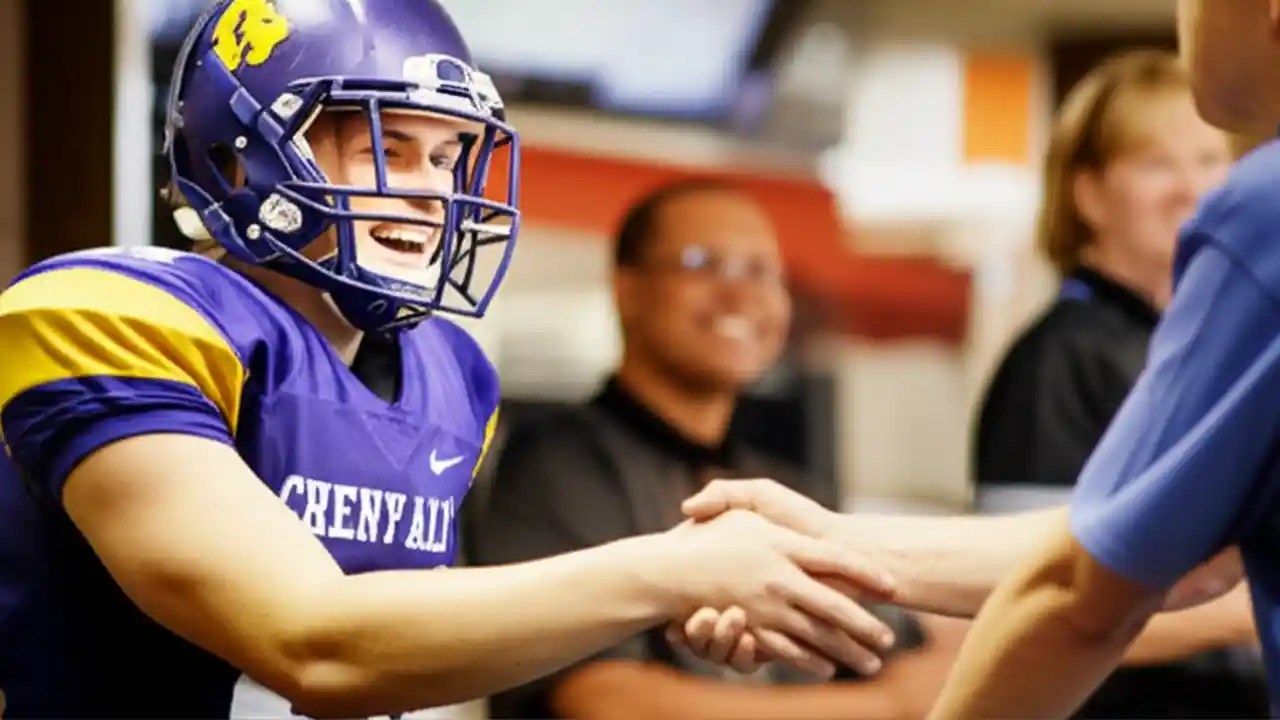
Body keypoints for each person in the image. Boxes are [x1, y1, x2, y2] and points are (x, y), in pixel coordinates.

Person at [0, 1, 900, 717]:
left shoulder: (449, 373)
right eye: (384, 151)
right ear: (242, 160)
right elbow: (315, 644)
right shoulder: (109, 315)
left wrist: (658, 606)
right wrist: (668, 572)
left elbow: (422, 649)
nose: (429, 193)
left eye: (445, 156)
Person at [467, 179, 967, 720]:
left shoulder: (782, 488)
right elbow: (606, 703)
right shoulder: (561, 465)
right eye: (704, 262)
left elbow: (900, 637)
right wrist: (888, 707)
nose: (740, 294)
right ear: (627, 290)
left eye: (761, 271)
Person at [973, 49, 1265, 717]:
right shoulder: (1058, 359)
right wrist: (1244, 608)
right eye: (1156, 162)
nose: (1192, 188)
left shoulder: (1187, 344)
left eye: (1209, 160)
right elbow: (1023, 598)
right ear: (1089, 194)